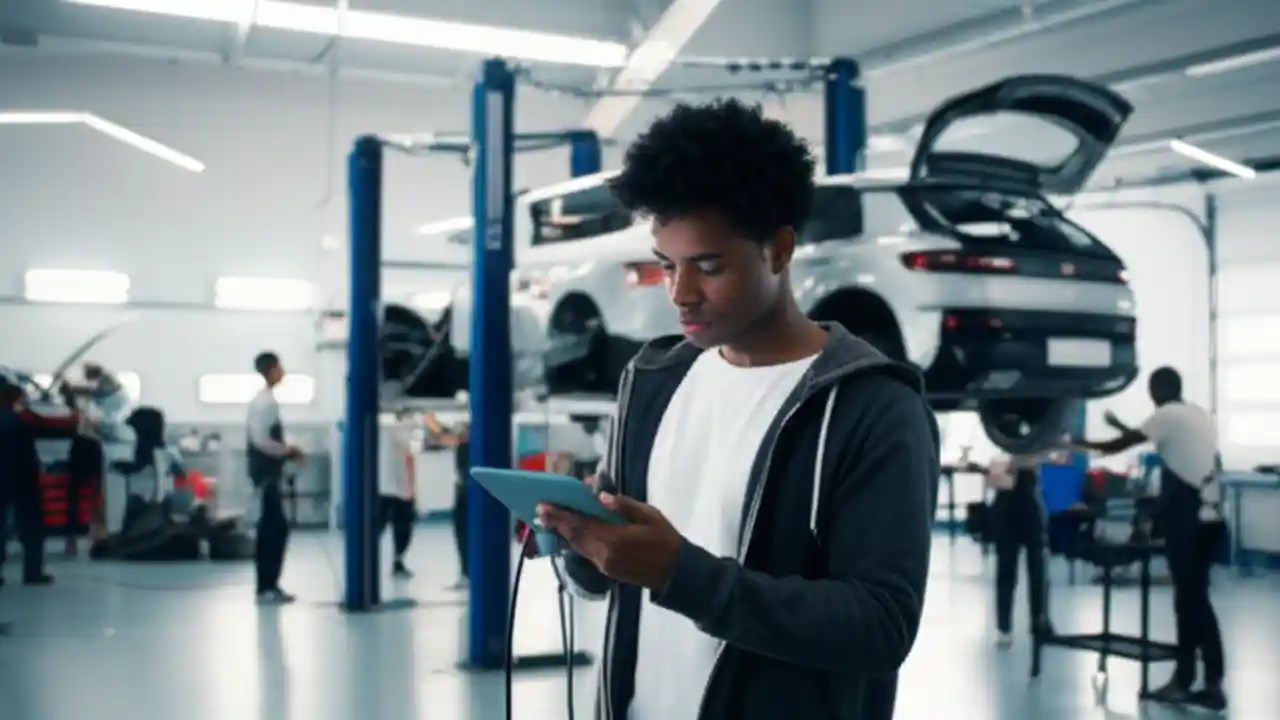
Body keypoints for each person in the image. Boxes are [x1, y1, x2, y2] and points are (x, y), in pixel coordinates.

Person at [536, 99, 940, 720]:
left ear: (779, 250)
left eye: (709, 266)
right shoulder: (651, 381)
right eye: (666, 265)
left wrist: (681, 574)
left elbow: (880, 626)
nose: (681, 293)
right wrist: (583, 544)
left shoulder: (873, 407)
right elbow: (614, 577)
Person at [1071, 367, 1227, 711]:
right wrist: (1119, 426)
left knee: (1189, 600)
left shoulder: (1165, 415)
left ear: (1158, 389)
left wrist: (1079, 444)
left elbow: (1121, 445)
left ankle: (1193, 681)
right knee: (1195, 598)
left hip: (1188, 515)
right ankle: (1201, 679)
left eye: (1151, 390)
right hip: (1213, 515)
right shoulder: (1194, 413)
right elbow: (1149, 438)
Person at [0, 373, 81, 586]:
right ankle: (33, 572)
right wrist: (73, 406)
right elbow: (62, 428)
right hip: (23, 478)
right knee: (31, 526)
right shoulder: (23, 418)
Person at [246, 352, 303, 605]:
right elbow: (261, 440)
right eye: (280, 367)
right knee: (274, 530)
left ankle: (268, 586)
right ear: (271, 370)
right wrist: (289, 451)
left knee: (273, 528)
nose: (283, 371)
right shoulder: (265, 403)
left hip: (268, 473)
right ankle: (267, 587)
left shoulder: (267, 400)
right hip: (266, 475)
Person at [985, 451, 1057, 648]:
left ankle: (1039, 621)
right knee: (1006, 572)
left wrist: (1021, 462)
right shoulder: (1001, 446)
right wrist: (1013, 464)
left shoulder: (1035, 443)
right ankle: (1004, 628)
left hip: (1030, 506)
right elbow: (994, 476)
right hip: (1006, 510)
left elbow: (1052, 456)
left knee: (1038, 571)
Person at [425, 412, 469, 590]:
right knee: (462, 535)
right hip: (464, 492)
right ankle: (466, 573)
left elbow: (444, 436)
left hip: (469, 494)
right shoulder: (463, 442)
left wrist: (431, 422)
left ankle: (468, 573)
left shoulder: (468, 443)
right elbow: (444, 436)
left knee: (465, 534)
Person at [378, 411, 418, 578]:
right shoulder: (387, 429)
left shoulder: (404, 433)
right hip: (388, 488)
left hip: (395, 488)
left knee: (402, 528)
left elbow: (410, 461)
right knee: (393, 527)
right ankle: (396, 561)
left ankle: (398, 562)